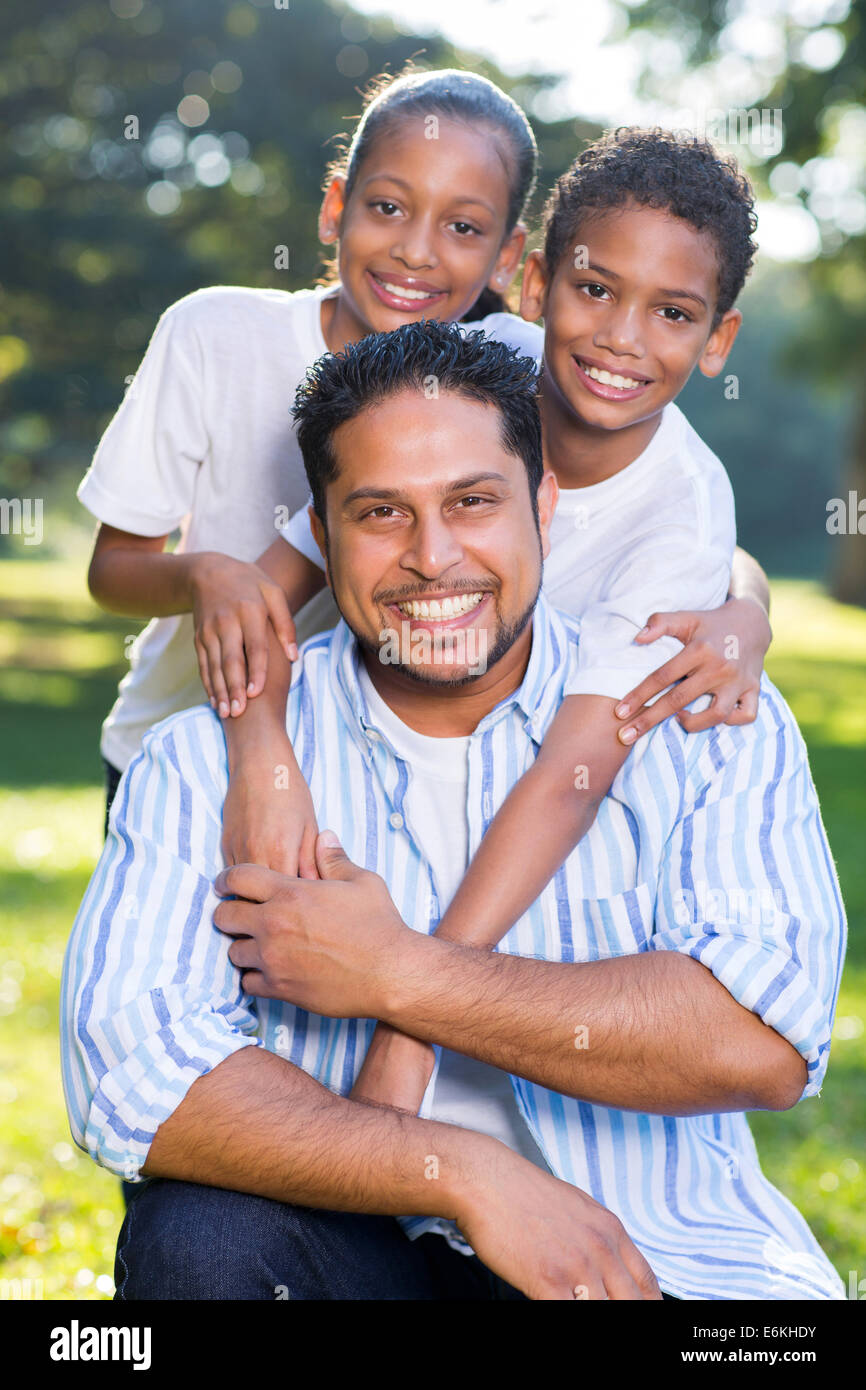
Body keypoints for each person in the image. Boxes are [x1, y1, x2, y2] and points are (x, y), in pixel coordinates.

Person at [61, 321, 847, 1300]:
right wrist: (460, 1171)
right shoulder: (196, 762)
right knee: (200, 1242)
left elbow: (757, 1038)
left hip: (658, 1256)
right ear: (323, 527)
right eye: (381, 511)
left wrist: (398, 974)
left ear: (544, 505)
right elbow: (132, 1076)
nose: (433, 559)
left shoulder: (699, 713)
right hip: (352, 1247)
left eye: (472, 502)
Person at [78, 66, 541, 840]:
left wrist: (746, 607)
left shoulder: (510, 364)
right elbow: (111, 571)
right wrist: (204, 575)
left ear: (506, 254)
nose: (417, 252)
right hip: (174, 750)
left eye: (463, 227)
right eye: (388, 207)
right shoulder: (214, 334)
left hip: (375, 781)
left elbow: (663, 490)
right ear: (335, 208)